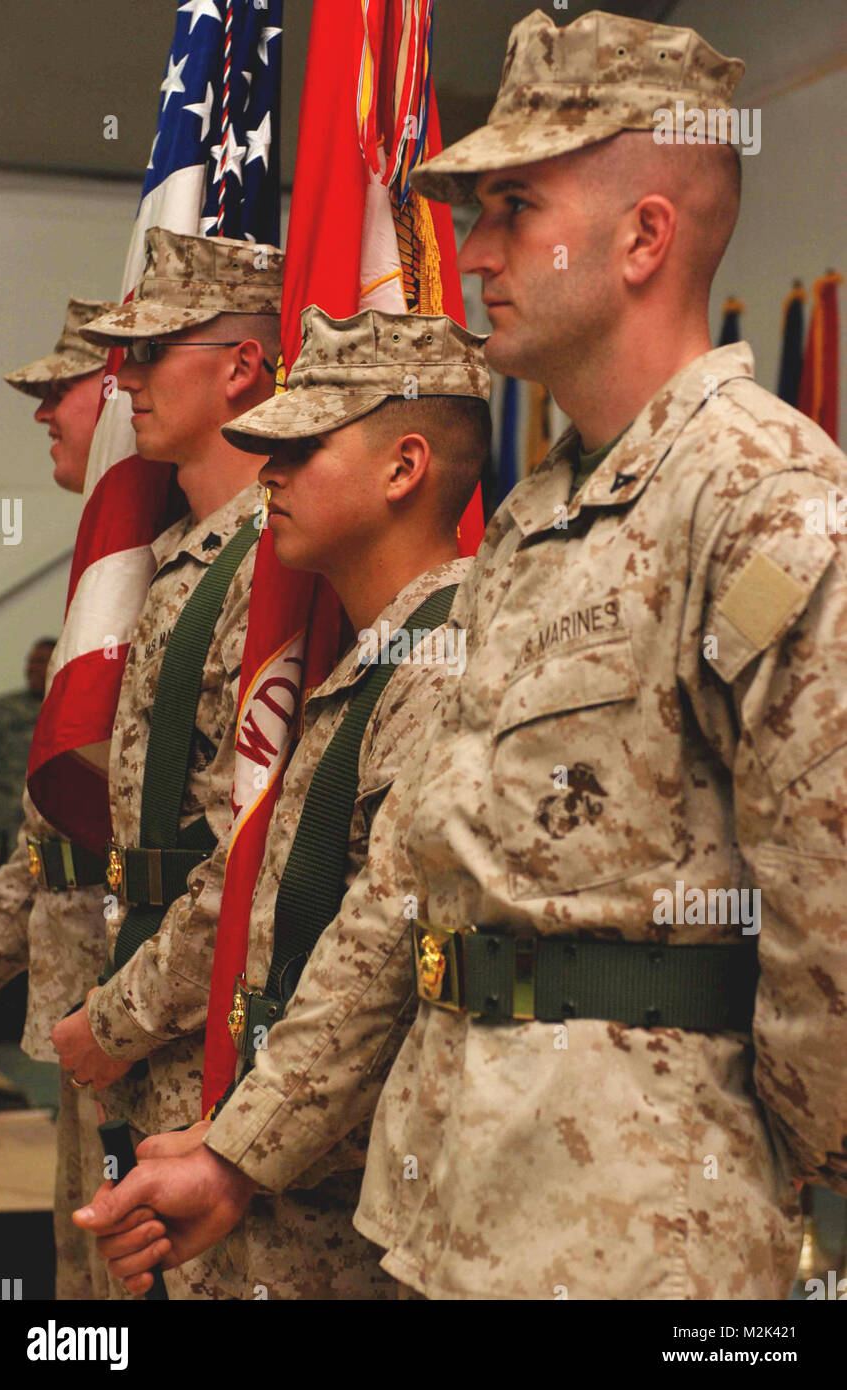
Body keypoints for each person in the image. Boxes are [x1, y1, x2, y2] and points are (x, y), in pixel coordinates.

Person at [82, 7, 847, 1302]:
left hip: (642, 1243)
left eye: (507, 208)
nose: (472, 251)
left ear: (640, 238)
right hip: (446, 1221)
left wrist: (751, 1159)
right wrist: (237, 1154)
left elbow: (826, 908)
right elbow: (405, 885)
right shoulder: (531, 522)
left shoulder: (761, 496)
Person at [74, 304, 489, 1299]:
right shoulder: (364, 656)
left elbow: (377, 954)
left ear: (405, 468)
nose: (269, 474)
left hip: (347, 1200)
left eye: (302, 449)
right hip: (279, 1166)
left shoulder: (449, 667)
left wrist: (232, 1146)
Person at [50, 225, 283, 1298]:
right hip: (146, 1034)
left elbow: (248, 852)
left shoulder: (275, 563)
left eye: (153, 353)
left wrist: (115, 1020)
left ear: (242, 366)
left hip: (210, 1053)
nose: (125, 378)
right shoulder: (181, 552)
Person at [0, 295, 116, 1297]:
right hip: (83, 1008)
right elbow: (46, 847)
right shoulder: (104, 578)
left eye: (55, 392)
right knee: (81, 1283)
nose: (41, 416)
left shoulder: (160, 576)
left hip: (141, 1025)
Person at [0, 637, 55, 885]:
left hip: (41, 834)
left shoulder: (64, 712)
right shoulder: (4, 709)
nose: (31, 667)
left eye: (40, 661)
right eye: (30, 661)